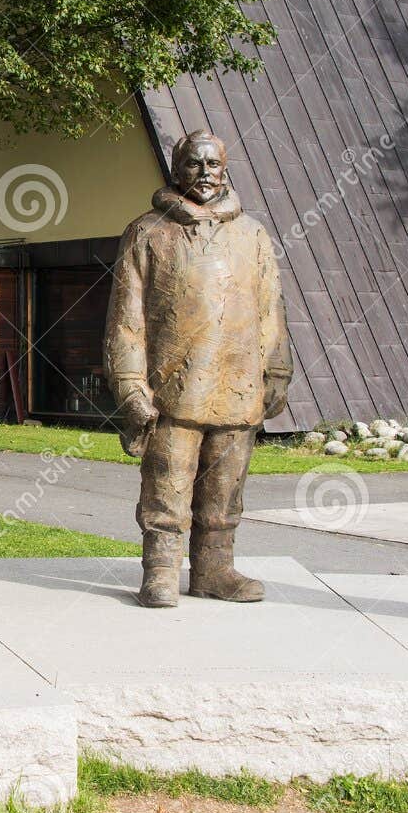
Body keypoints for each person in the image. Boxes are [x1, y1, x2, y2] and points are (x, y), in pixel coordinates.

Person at [104, 130, 291, 608]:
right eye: (193, 164)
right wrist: (130, 385)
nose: (204, 173)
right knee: (166, 487)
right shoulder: (148, 231)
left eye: (213, 164)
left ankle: (214, 569)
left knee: (225, 491)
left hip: (237, 387)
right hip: (173, 391)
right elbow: (126, 318)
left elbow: (271, 310)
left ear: (225, 169)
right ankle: (161, 572)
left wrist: (277, 371)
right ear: (176, 169)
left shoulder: (252, 235)